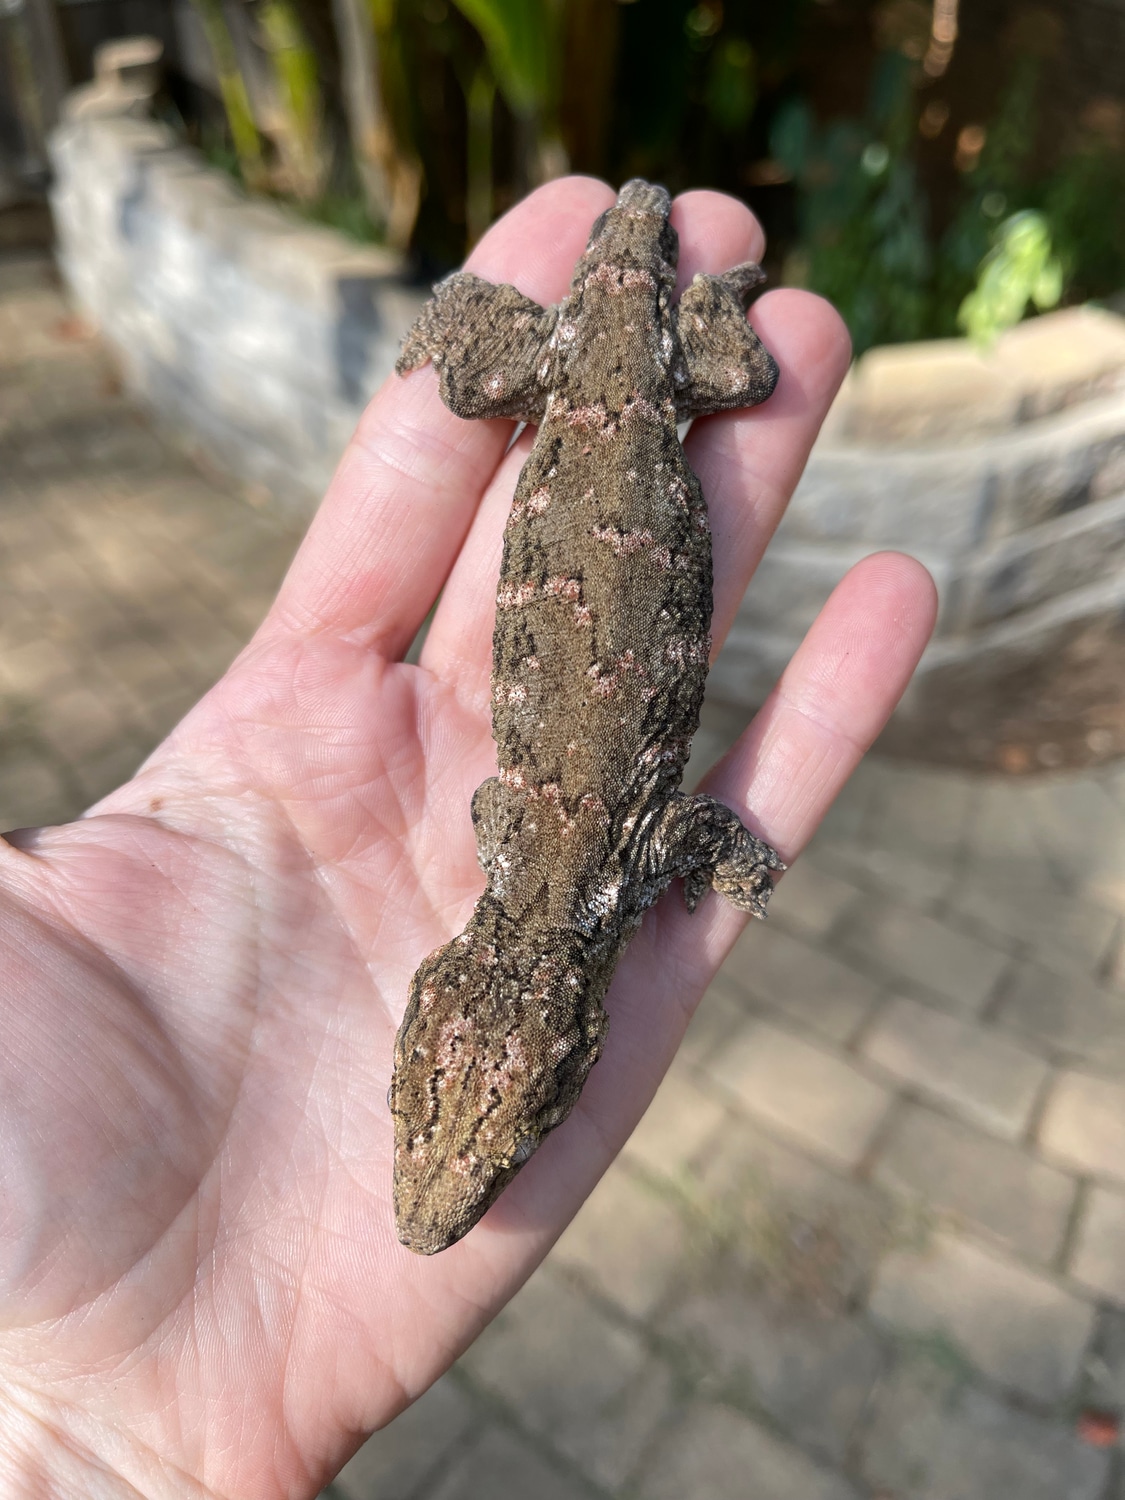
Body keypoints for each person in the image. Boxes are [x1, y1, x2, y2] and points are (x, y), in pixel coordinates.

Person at [0, 178, 936, 1497]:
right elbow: (520, 807)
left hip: (615, 374)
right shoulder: (516, 844)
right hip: (606, 377)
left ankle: (607, 299)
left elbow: (678, 827)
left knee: (631, 374)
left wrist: (721, 852)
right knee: (637, 378)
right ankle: (581, 307)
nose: (430, 1202)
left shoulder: (627, 860)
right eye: (479, 1138)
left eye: (441, 1126)